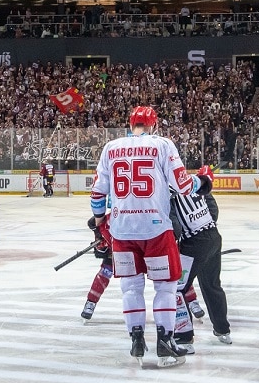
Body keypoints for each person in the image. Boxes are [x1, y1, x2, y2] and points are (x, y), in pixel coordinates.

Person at [90, 105, 194, 367]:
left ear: (130, 124)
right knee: (165, 287)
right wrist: (203, 182)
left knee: (130, 287)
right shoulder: (163, 145)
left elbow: (97, 194)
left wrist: (101, 222)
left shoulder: (111, 148)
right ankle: (165, 341)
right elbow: (182, 186)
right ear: (154, 125)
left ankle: (136, 339)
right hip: (156, 228)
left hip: (122, 231)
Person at [171, 166, 231, 351]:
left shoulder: (167, 191)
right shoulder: (191, 180)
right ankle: (223, 330)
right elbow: (213, 209)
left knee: (176, 288)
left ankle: (184, 338)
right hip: (213, 236)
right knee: (212, 285)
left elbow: (175, 226)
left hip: (194, 243)